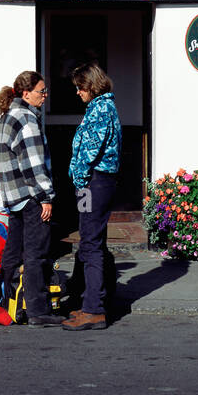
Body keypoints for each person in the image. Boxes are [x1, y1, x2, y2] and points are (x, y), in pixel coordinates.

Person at [0, 71, 63, 326]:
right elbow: (33, 165)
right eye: (41, 91)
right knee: (36, 253)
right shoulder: (27, 120)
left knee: (12, 253)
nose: (45, 96)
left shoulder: (4, 118)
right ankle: (37, 312)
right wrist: (46, 197)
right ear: (26, 94)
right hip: (31, 197)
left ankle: (10, 304)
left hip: (12, 198)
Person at [62, 63, 121, 330]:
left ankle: (94, 309)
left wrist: (79, 179)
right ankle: (98, 300)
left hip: (94, 184)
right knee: (92, 239)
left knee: (91, 243)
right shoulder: (101, 107)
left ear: (92, 86)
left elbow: (89, 152)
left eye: (80, 87)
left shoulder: (101, 109)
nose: (78, 92)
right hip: (94, 183)